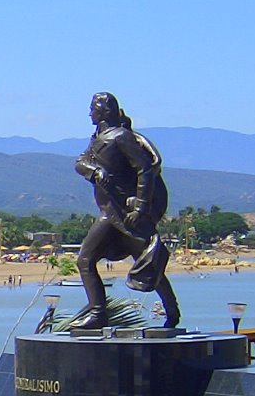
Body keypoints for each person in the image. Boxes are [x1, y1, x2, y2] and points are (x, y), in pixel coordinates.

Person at [73, 92, 181, 329]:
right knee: (89, 260)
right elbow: (80, 162)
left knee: (91, 260)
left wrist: (141, 207)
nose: (90, 112)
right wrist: (94, 171)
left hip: (123, 212)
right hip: (109, 211)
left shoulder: (121, 137)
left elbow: (145, 169)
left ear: (105, 111)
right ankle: (99, 312)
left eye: (93, 108)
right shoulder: (97, 138)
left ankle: (170, 312)